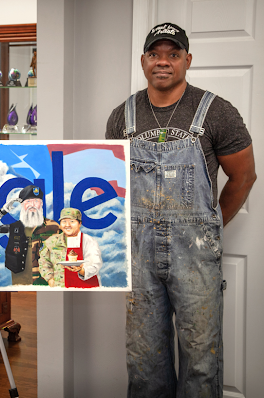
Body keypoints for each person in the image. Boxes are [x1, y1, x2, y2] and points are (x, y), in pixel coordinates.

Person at [106, 23, 256, 397]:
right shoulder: (121, 117)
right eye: (155, 54)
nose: (163, 62)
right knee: (143, 362)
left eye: (173, 55)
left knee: (201, 361)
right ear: (143, 61)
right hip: (138, 256)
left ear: (187, 60)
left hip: (196, 255)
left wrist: (210, 224)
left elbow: (244, 177)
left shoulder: (217, 112)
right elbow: (113, 184)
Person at [0, 185, 60, 285]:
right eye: (28, 202)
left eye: (36, 201)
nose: (32, 205)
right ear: (22, 205)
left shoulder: (54, 227)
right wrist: (3, 210)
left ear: (42, 204)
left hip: (46, 284)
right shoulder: (15, 227)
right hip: (20, 283)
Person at [39, 208, 102, 288]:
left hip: (86, 288)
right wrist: (50, 279)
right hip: (61, 287)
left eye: (72, 221)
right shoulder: (52, 241)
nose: (67, 225)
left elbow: (95, 264)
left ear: (79, 223)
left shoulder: (88, 240)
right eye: (64, 221)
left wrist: (81, 270)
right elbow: (44, 261)